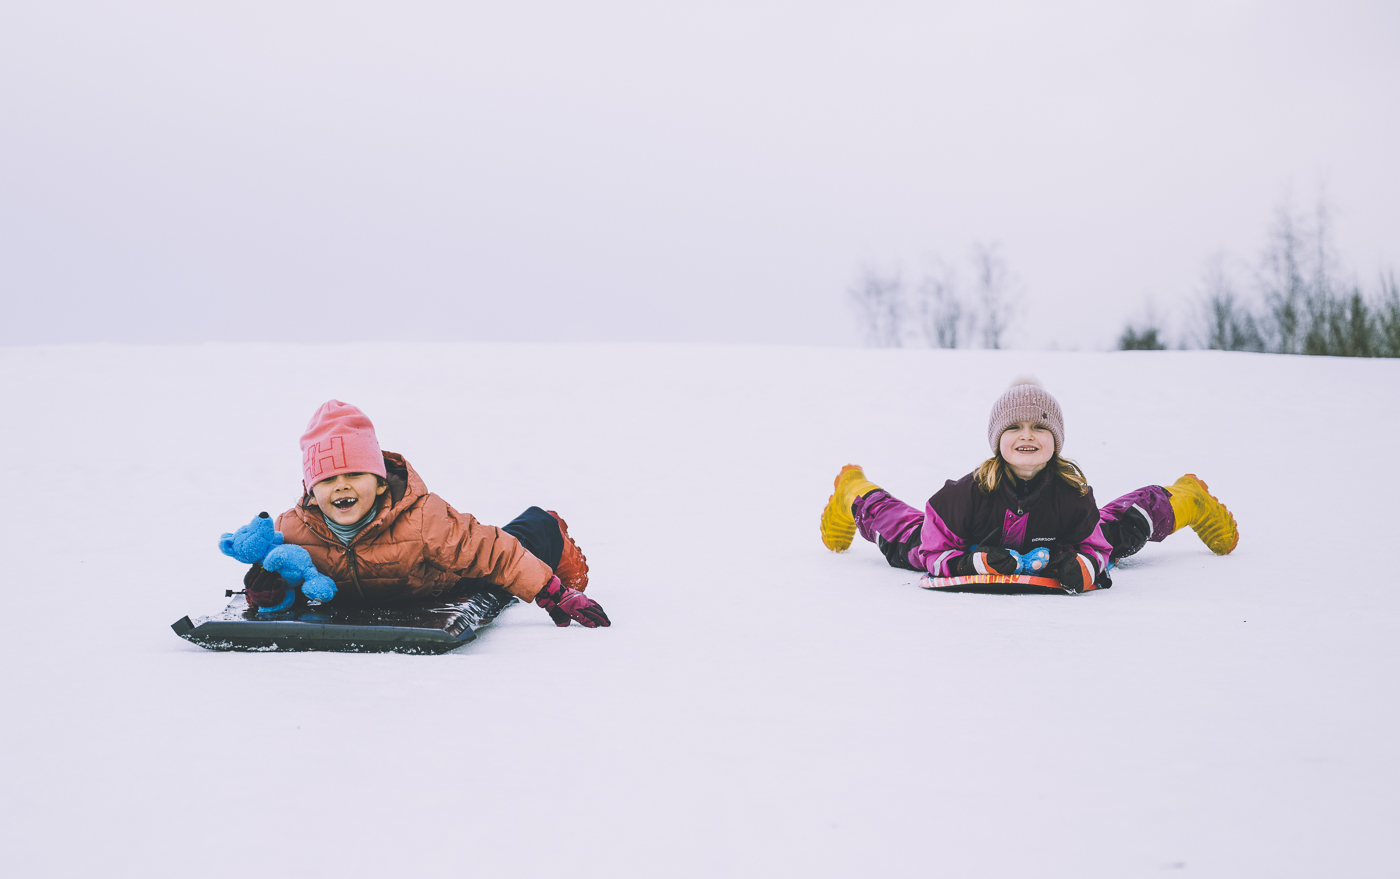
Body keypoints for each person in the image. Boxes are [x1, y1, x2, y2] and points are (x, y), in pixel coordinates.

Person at [818, 380, 1238, 593]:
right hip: (959, 542)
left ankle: (1187, 499)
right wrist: (973, 562)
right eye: (1015, 427)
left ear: (1055, 441)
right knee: (903, 536)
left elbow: (1095, 547)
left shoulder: (1073, 496)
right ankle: (855, 491)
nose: (1027, 435)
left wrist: (1083, 566)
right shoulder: (965, 495)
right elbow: (932, 550)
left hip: (1054, 541)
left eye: (1040, 427)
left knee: (1121, 529)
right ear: (997, 440)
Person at [238, 399, 609, 627]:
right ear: (311, 491)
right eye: (328, 478)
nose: (341, 486)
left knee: (504, 552)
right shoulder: (291, 529)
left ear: (381, 483)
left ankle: (546, 526)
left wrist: (552, 593)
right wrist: (266, 594)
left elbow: (491, 552)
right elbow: (287, 577)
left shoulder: (420, 518)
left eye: (355, 474)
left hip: (445, 582)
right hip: (377, 594)